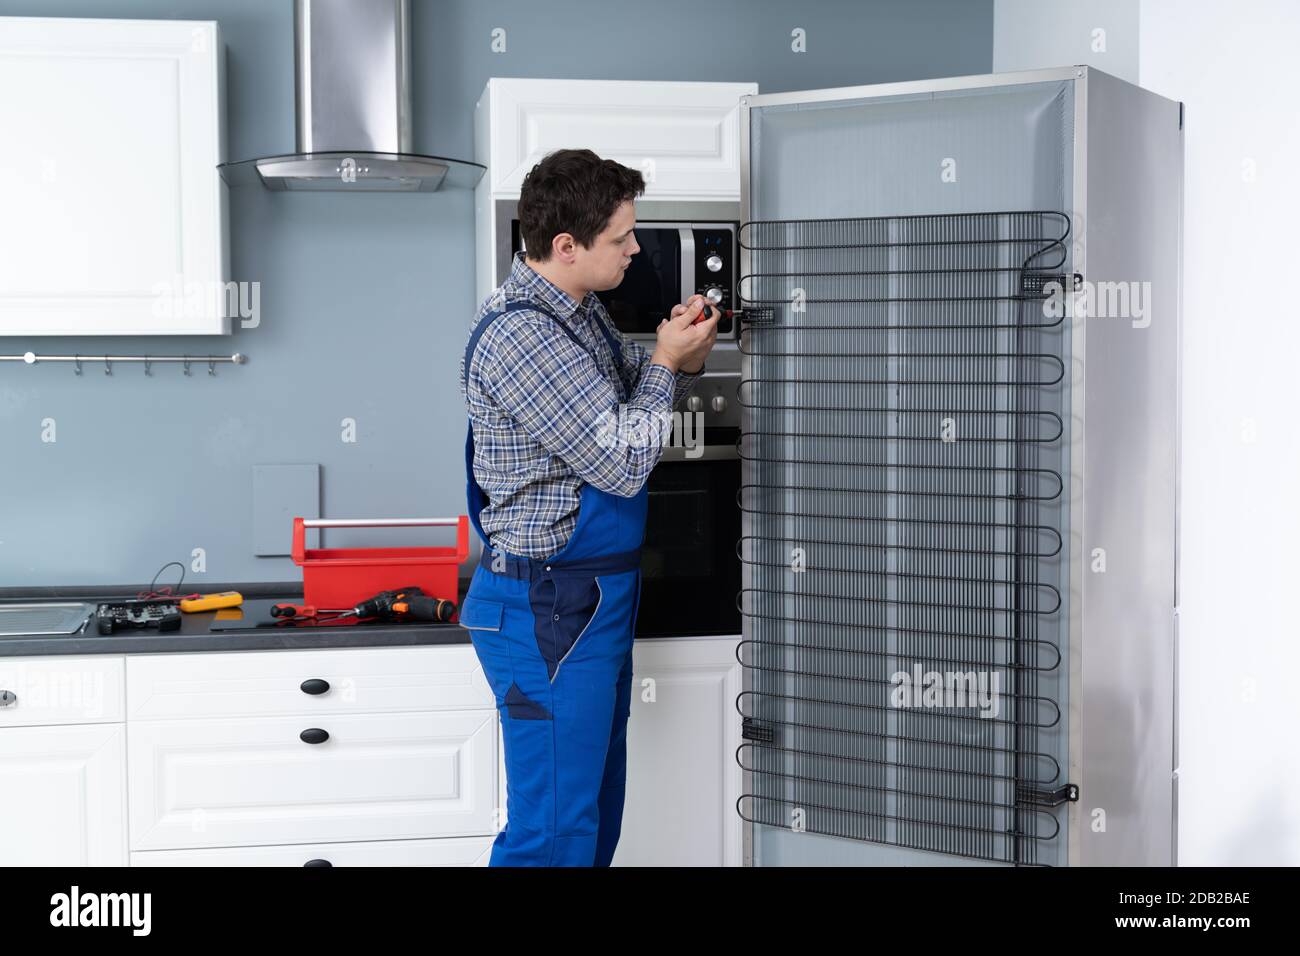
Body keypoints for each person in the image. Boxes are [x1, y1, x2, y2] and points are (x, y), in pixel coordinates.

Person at [457, 147, 719, 866]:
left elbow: (637, 376)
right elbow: (625, 461)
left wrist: (678, 353)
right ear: (566, 247)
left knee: (593, 815)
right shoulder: (523, 335)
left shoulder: (574, 313)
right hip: (547, 606)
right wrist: (669, 362)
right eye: (621, 238)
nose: (636, 249)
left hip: (588, 597)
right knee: (551, 833)